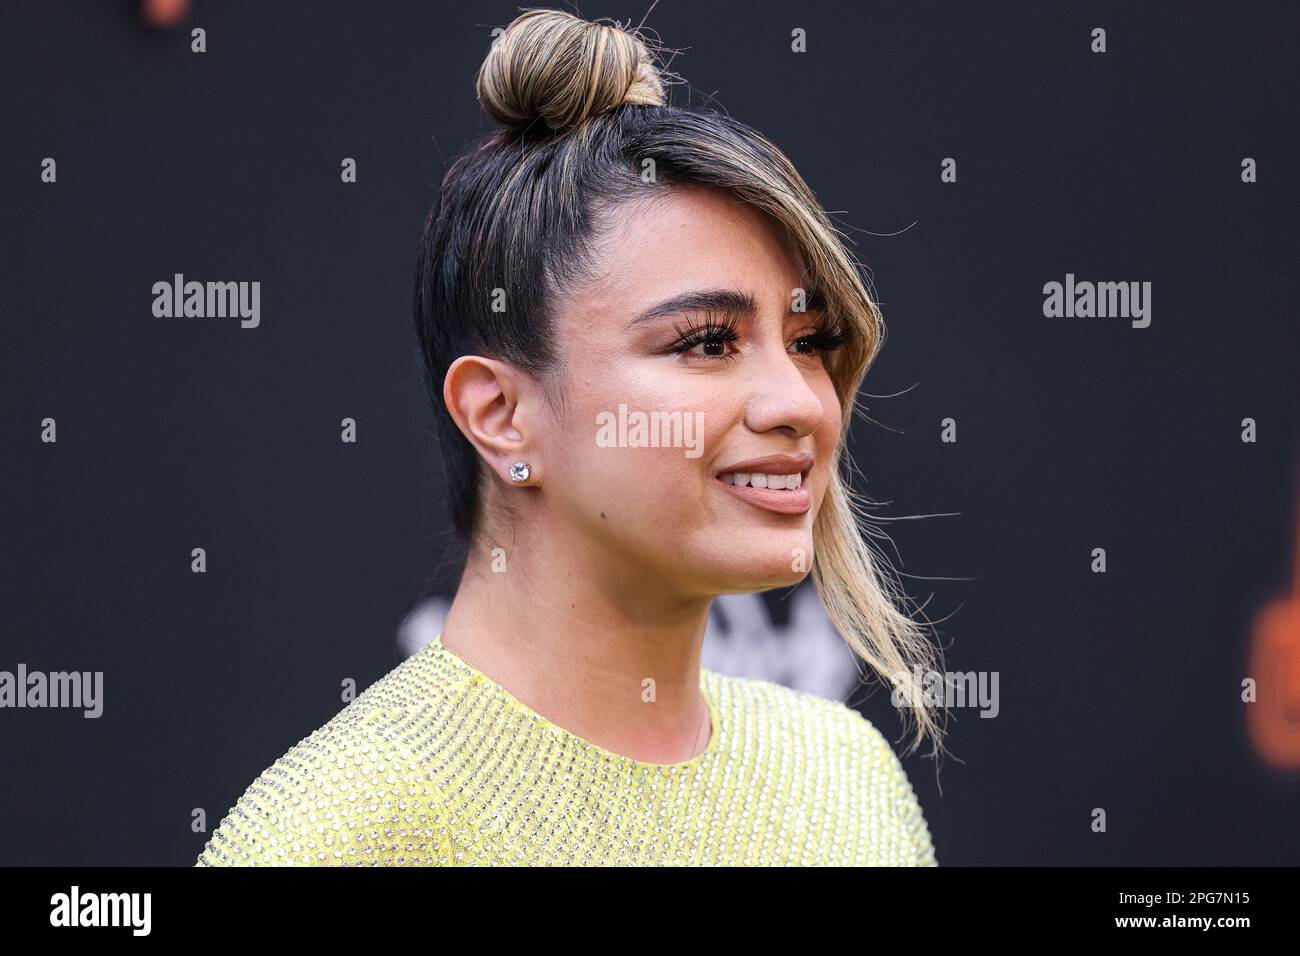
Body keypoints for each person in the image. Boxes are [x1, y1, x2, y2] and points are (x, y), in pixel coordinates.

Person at [196, 7, 947, 867]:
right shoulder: (340, 834)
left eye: (808, 342)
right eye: (706, 342)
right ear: (500, 415)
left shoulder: (845, 776)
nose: (800, 403)